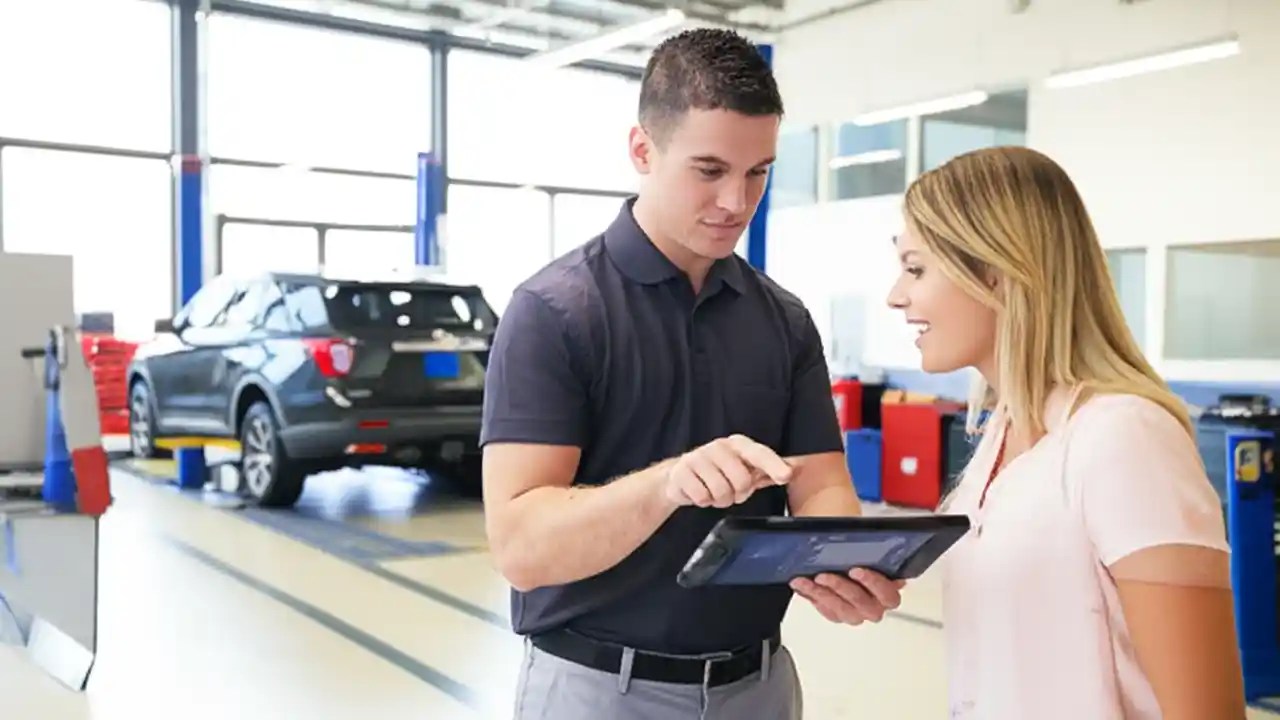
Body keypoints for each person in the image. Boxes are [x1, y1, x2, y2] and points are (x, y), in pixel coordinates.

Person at [481, 28, 903, 719]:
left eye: (758, 171)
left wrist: (841, 564)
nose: (737, 202)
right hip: (597, 692)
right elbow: (524, 548)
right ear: (643, 151)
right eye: (709, 171)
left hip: (758, 687)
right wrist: (669, 484)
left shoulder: (785, 320)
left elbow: (821, 482)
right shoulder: (553, 313)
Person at [886, 146, 1246, 719]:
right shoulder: (1000, 438)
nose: (896, 295)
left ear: (996, 272)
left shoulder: (1124, 436)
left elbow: (1205, 712)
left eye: (915, 268)